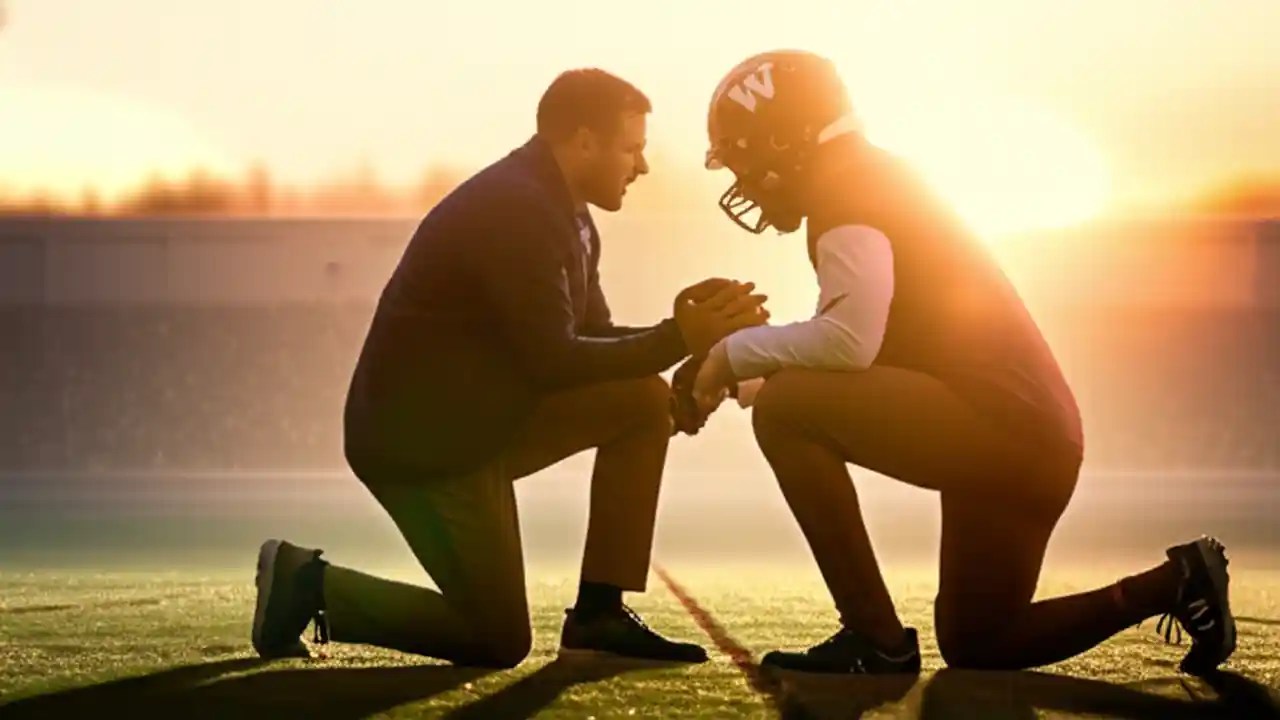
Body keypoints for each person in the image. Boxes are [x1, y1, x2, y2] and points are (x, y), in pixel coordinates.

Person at [682, 49, 1235, 676]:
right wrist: (742, 371)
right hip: (1028, 436)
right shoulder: (868, 175)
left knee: (785, 413)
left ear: (789, 136)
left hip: (997, 427)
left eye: (749, 154)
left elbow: (847, 343)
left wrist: (730, 354)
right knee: (980, 640)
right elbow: (865, 346)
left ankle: (874, 636)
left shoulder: (846, 187)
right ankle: (1174, 582)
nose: (746, 179)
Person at [249, 68, 769, 667]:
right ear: (582, 142)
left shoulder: (567, 213)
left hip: (478, 422)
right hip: (426, 445)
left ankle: (599, 612)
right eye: (632, 148)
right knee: (496, 639)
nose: (643, 166)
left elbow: (592, 340)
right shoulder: (516, 209)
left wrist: (692, 360)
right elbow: (553, 360)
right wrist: (678, 336)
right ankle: (307, 585)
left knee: (642, 401)